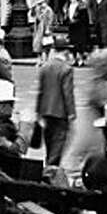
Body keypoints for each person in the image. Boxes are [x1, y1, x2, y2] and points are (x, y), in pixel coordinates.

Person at [35, 32, 76, 168]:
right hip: (60, 111)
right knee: (58, 144)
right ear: (65, 51)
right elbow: (67, 92)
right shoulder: (66, 69)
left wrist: (38, 111)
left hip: (46, 110)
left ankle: (48, 165)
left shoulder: (45, 67)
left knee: (49, 141)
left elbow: (40, 91)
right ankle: (51, 170)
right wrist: (71, 112)